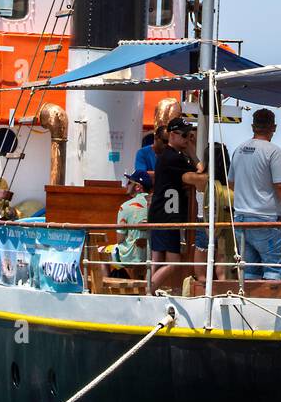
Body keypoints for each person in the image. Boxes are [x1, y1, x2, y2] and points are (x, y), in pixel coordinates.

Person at [229, 108, 281, 281]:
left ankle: (249, 305)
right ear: (274, 127)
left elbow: (232, 183)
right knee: (275, 270)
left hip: (240, 220)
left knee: (249, 271)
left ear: (253, 126)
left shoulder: (239, 150)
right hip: (265, 221)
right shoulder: (273, 151)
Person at [148, 118, 207, 293]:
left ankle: (147, 290)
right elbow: (201, 173)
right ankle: (148, 291)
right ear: (172, 135)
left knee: (156, 259)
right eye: (184, 136)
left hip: (159, 213)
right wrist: (193, 152)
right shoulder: (174, 158)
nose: (187, 140)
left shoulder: (167, 156)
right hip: (168, 215)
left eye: (189, 136)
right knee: (173, 263)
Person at [193, 143, 235, 286]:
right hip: (223, 220)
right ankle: (222, 285)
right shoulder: (229, 179)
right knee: (221, 257)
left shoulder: (201, 178)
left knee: (201, 254)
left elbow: (185, 177)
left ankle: (202, 285)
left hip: (203, 220)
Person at [100, 171, 152, 283]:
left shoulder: (126, 206)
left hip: (131, 256)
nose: (126, 185)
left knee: (101, 252)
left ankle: (106, 288)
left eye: (129, 182)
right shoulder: (155, 204)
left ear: (138, 187)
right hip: (152, 254)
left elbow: (120, 239)